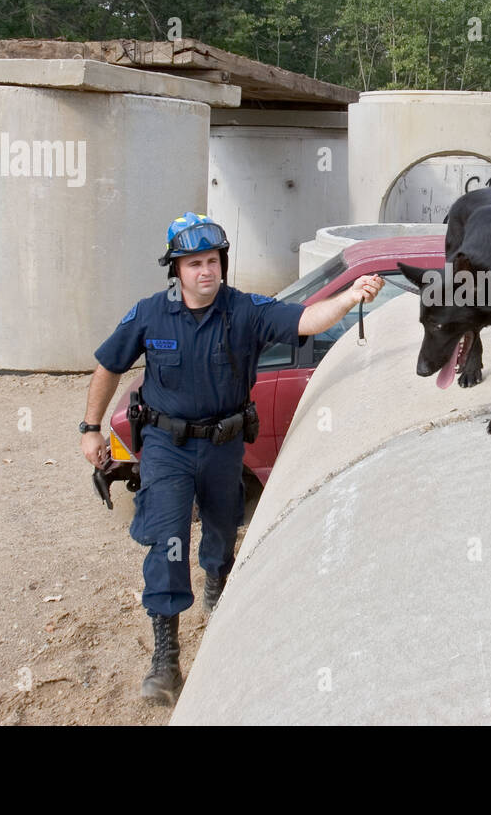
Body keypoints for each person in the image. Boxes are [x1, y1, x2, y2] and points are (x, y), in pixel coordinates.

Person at [80, 212, 384, 705]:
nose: (206, 271)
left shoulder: (245, 311)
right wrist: (91, 428)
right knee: (168, 538)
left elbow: (305, 319)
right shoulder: (148, 315)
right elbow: (109, 365)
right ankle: (166, 654)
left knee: (223, 526)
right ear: (175, 269)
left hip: (224, 446)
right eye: (194, 263)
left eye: (213, 261)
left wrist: (349, 297)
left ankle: (217, 583)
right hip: (166, 448)